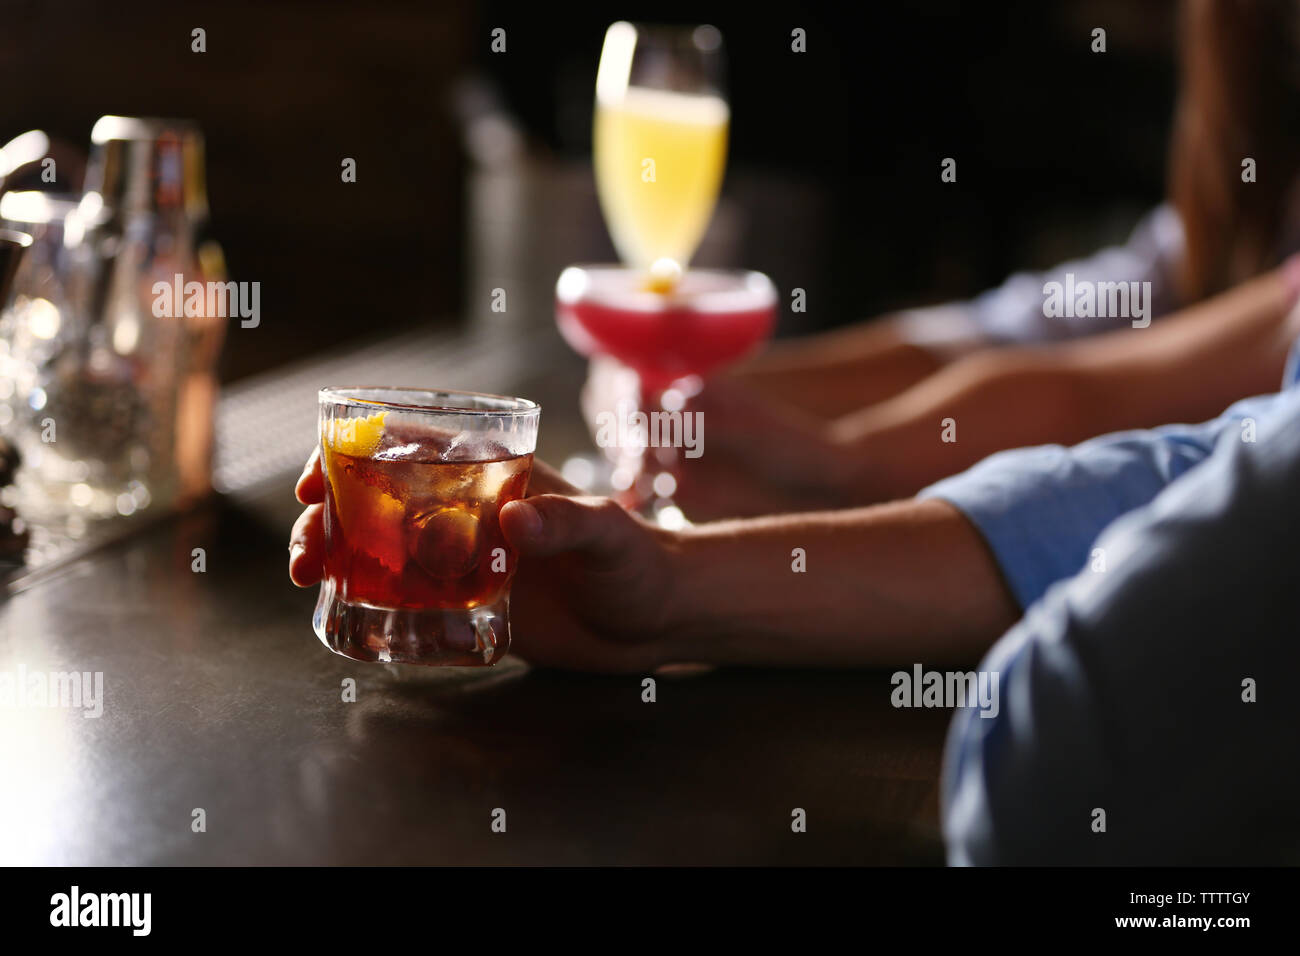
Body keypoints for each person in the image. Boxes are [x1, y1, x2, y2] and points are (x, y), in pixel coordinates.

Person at [663, 0, 1300, 517]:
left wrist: (840, 465)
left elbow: (1095, 395)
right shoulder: (1247, 215)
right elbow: (1025, 330)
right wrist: (694, 391)